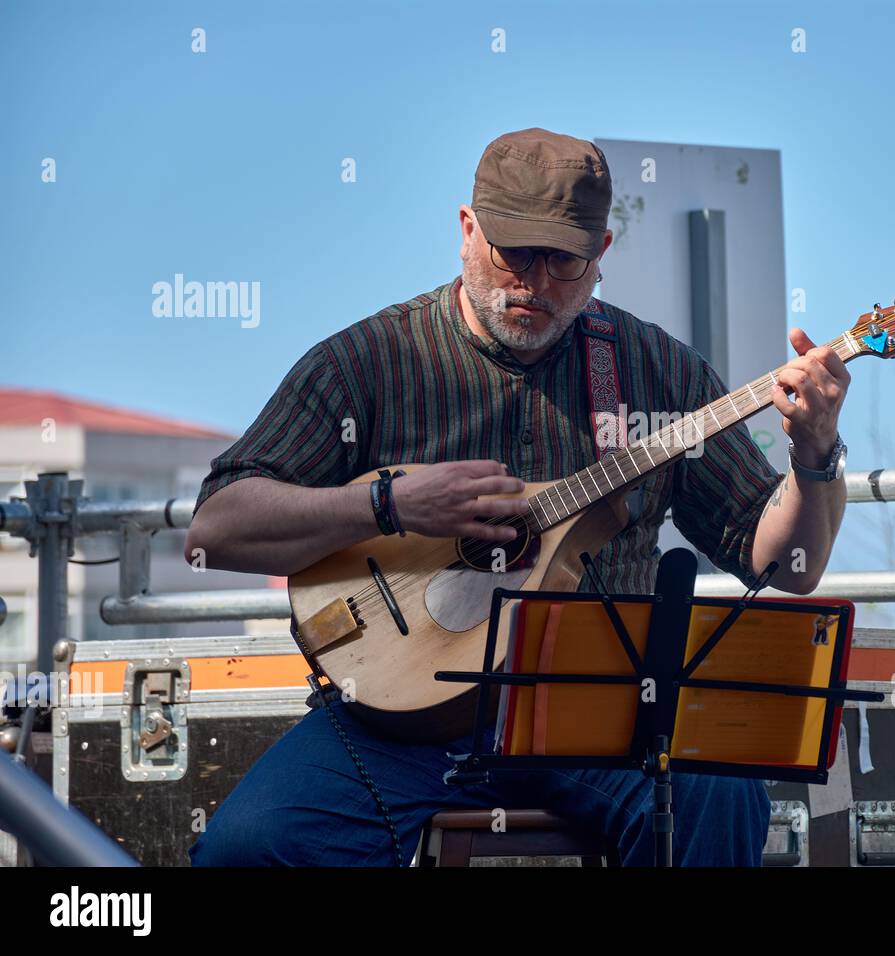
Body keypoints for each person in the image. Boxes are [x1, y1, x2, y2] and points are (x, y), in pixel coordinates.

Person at [185, 127, 851, 866]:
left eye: (562, 259)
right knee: (249, 847)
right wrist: (386, 506)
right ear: (467, 231)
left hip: (599, 714)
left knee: (720, 793)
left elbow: (788, 565)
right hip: (395, 722)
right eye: (512, 252)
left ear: (600, 256)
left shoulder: (658, 372)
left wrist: (813, 452)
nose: (533, 282)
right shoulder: (370, 361)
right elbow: (217, 528)